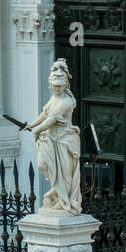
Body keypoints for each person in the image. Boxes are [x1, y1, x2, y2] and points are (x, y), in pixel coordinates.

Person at [26, 60, 82, 214]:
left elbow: (51, 120)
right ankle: (56, 194)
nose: (57, 89)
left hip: (64, 141)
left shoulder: (67, 101)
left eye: (60, 86)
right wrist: (31, 125)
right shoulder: (54, 99)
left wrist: (36, 131)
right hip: (51, 140)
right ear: (50, 85)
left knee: (64, 173)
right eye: (54, 86)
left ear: (65, 86)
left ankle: (63, 200)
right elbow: (45, 114)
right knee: (43, 165)